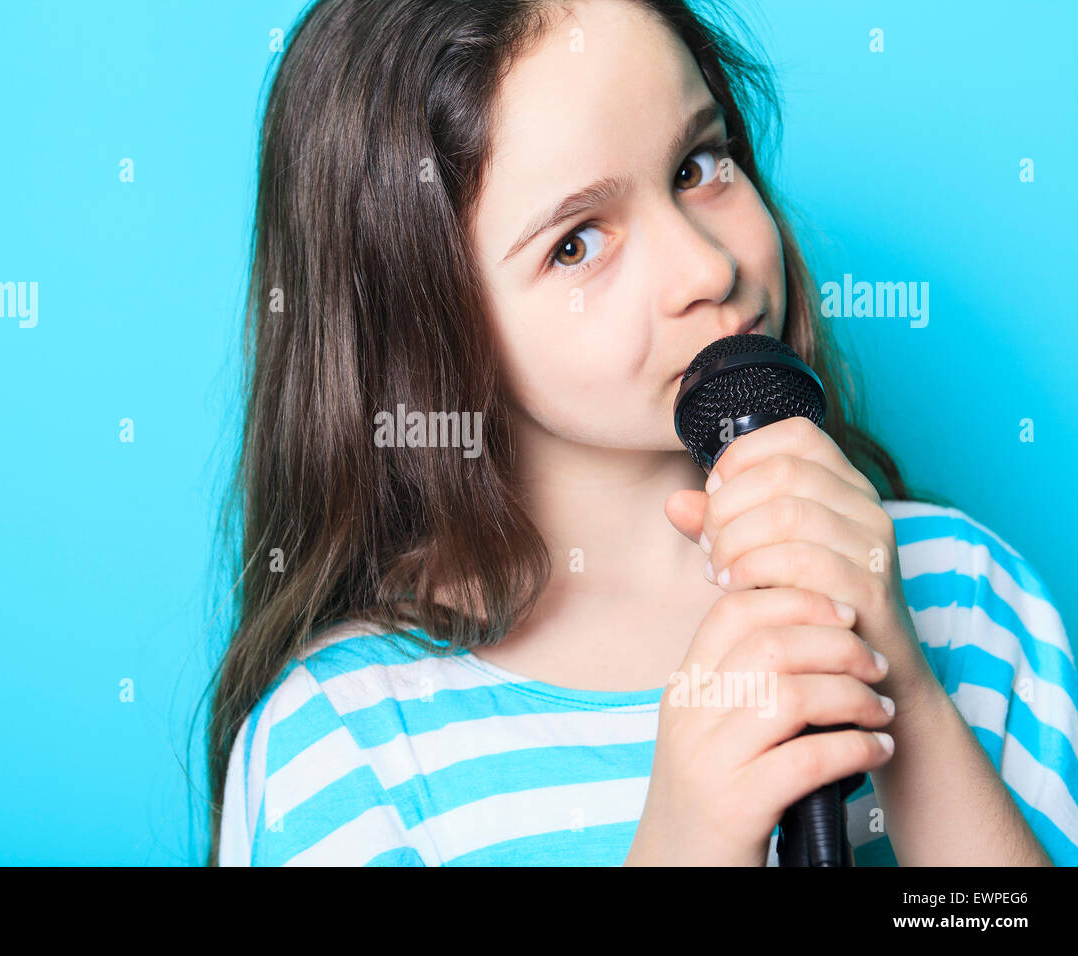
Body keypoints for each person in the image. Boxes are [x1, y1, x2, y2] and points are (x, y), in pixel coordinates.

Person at [206, 0, 1077, 866]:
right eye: (578, 243)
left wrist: (912, 701)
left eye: (699, 165)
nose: (709, 267)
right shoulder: (344, 738)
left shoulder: (963, 597)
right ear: (425, 329)